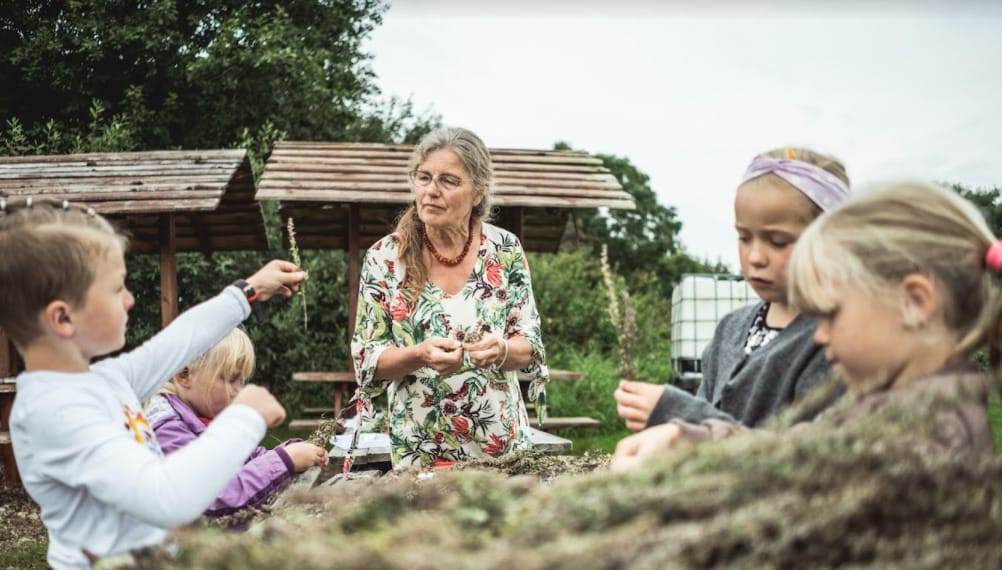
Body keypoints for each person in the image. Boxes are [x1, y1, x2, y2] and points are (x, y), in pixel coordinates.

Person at [0, 198, 305, 569]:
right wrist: (244, 418)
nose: (130, 300)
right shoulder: (55, 413)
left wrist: (249, 290)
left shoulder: (104, 380)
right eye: (117, 288)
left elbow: (180, 342)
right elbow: (166, 498)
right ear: (63, 318)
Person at [611, 180, 998, 473]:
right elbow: (788, 450)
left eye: (831, 314)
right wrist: (688, 438)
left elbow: (795, 479)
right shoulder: (891, 408)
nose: (819, 334)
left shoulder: (924, 440)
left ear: (914, 303)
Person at [350, 126, 549, 468]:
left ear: (478, 193)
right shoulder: (385, 258)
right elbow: (367, 359)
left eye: (448, 181)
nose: (431, 190)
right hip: (419, 450)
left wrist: (501, 350)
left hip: (501, 448)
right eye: (424, 177)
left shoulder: (505, 250)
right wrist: (419, 354)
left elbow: (529, 344)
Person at [615, 146, 850, 432]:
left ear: (830, 241)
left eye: (777, 241)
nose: (755, 257)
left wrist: (677, 413)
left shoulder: (832, 342)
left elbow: (803, 450)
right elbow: (703, 424)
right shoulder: (730, 329)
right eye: (744, 237)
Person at [145, 328, 328, 518]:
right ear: (184, 375)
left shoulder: (199, 418)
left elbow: (246, 458)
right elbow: (213, 497)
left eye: (242, 381)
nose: (238, 390)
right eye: (231, 378)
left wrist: (290, 451)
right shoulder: (165, 430)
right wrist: (284, 461)